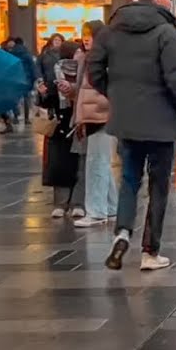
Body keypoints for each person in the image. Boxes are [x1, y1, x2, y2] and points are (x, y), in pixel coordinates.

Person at [89, 0, 176, 271]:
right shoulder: (165, 32)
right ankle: (150, 252)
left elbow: (94, 70)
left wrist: (114, 95)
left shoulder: (111, 30)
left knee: (129, 179)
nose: (169, 2)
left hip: (126, 119)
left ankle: (122, 232)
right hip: (161, 120)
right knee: (159, 186)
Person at [73, 21, 114, 227]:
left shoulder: (105, 57)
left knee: (97, 162)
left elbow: (109, 87)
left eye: (90, 34)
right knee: (100, 161)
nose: (86, 38)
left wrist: (102, 105)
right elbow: (83, 89)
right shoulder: (86, 58)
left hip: (100, 115)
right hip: (91, 115)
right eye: (84, 34)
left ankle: (97, 211)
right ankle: (111, 205)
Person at [38, 44, 80, 217]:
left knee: (79, 165)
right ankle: (61, 204)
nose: (79, 54)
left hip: (79, 122)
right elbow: (46, 102)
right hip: (60, 125)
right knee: (60, 165)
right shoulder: (55, 73)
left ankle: (78, 202)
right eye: (77, 51)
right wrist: (43, 94)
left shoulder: (85, 71)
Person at [8, 36, 37, 124]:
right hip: (26, 78)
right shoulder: (27, 53)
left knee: (14, 98)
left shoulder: (11, 53)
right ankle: (27, 118)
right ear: (23, 43)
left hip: (14, 78)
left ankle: (16, 116)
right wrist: (34, 78)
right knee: (26, 98)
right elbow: (32, 67)